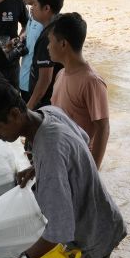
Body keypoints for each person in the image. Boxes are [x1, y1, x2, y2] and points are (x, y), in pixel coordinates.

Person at [0, 74, 126, 258]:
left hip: (93, 237)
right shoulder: (48, 112)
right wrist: (38, 167)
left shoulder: (50, 149)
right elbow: (83, 138)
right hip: (101, 215)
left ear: (14, 114)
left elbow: (60, 231)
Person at [47, 12, 110, 169]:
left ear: (63, 44)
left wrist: (92, 171)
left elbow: (103, 128)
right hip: (60, 157)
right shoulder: (60, 74)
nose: (48, 47)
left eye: (50, 41)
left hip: (79, 163)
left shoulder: (92, 82)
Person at [14, 0, 51, 102]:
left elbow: (46, 75)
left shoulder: (45, 20)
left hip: (35, 87)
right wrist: (22, 38)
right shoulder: (33, 13)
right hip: (25, 81)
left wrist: (30, 106)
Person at [25, 0, 64, 110]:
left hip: (46, 103)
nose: (32, 8)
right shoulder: (60, 25)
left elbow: (45, 79)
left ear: (46, 8)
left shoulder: (47, 38)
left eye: (35, 4)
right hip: (58, 98)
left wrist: (29, 107)